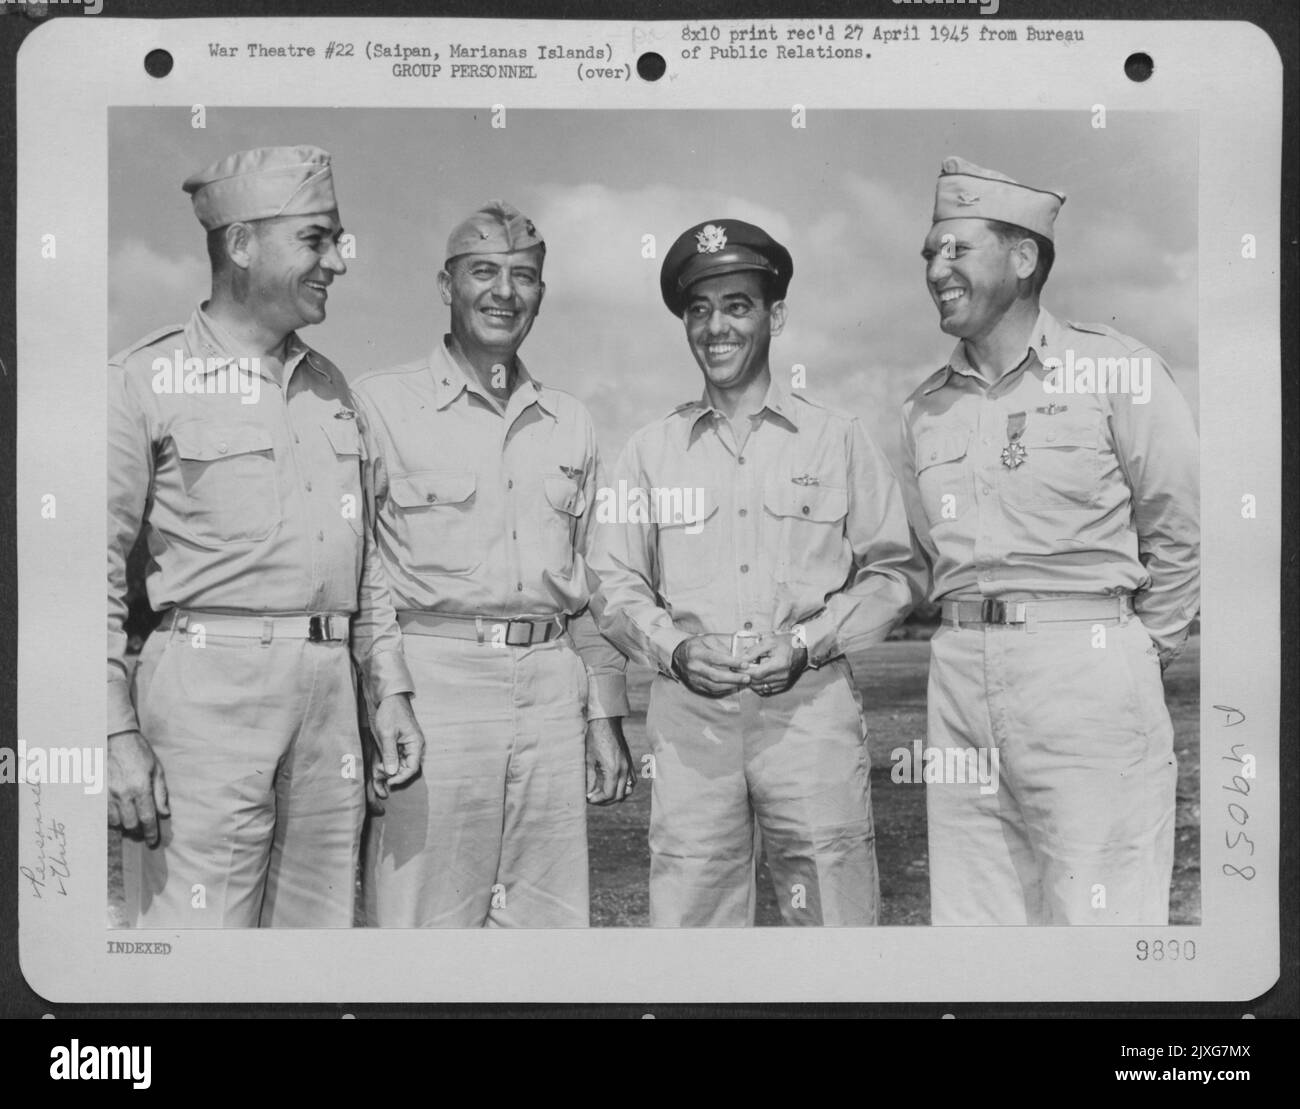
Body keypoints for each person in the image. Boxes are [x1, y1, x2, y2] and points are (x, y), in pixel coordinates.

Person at [107, 145, 424, 927]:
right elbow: (88, 569)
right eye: (316, 239)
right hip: (204, 694)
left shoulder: (332, 388)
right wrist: (112, 726)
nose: (337, 262)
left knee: (313, 953)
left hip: (328, 699)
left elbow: (367, 562)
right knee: (195, 948)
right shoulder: (143, 380)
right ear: (241, 244)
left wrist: (390, 691)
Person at [588, 218, 923, 927]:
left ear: (775, 315)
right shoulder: (649, 452)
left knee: (834, 927)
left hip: (812, 715)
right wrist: (672, 648)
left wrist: (808, 642)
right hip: (691, 729)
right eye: (699, 309)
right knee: (694, 938)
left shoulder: (838, 437)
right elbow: (612, 583)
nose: (716, 327)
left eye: (737, 305)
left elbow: (894, 571)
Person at [900, 156, 1199, 925]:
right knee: (975, 934)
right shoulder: (922, 411)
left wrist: (1128, 651)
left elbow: (1181, 532)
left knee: (1099, 924)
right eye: (931, 252)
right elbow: (926, 555)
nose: (936, 268)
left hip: (1087, 674)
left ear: (1024, 257)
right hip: (959, 679)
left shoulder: (1116, 371)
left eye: (956, 249)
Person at [355, 200, 633, 928]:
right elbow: (360, 574)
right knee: (422, 930)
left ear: (542, 294)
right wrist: (386, 696)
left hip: (550, 693)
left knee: (547, 935)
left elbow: (590, 586)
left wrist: (604, 712)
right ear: (445, 286)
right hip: (435, 689)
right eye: (484, 272)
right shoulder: (378, 406)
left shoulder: (571, 421)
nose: (504, 292)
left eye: (524, 277)